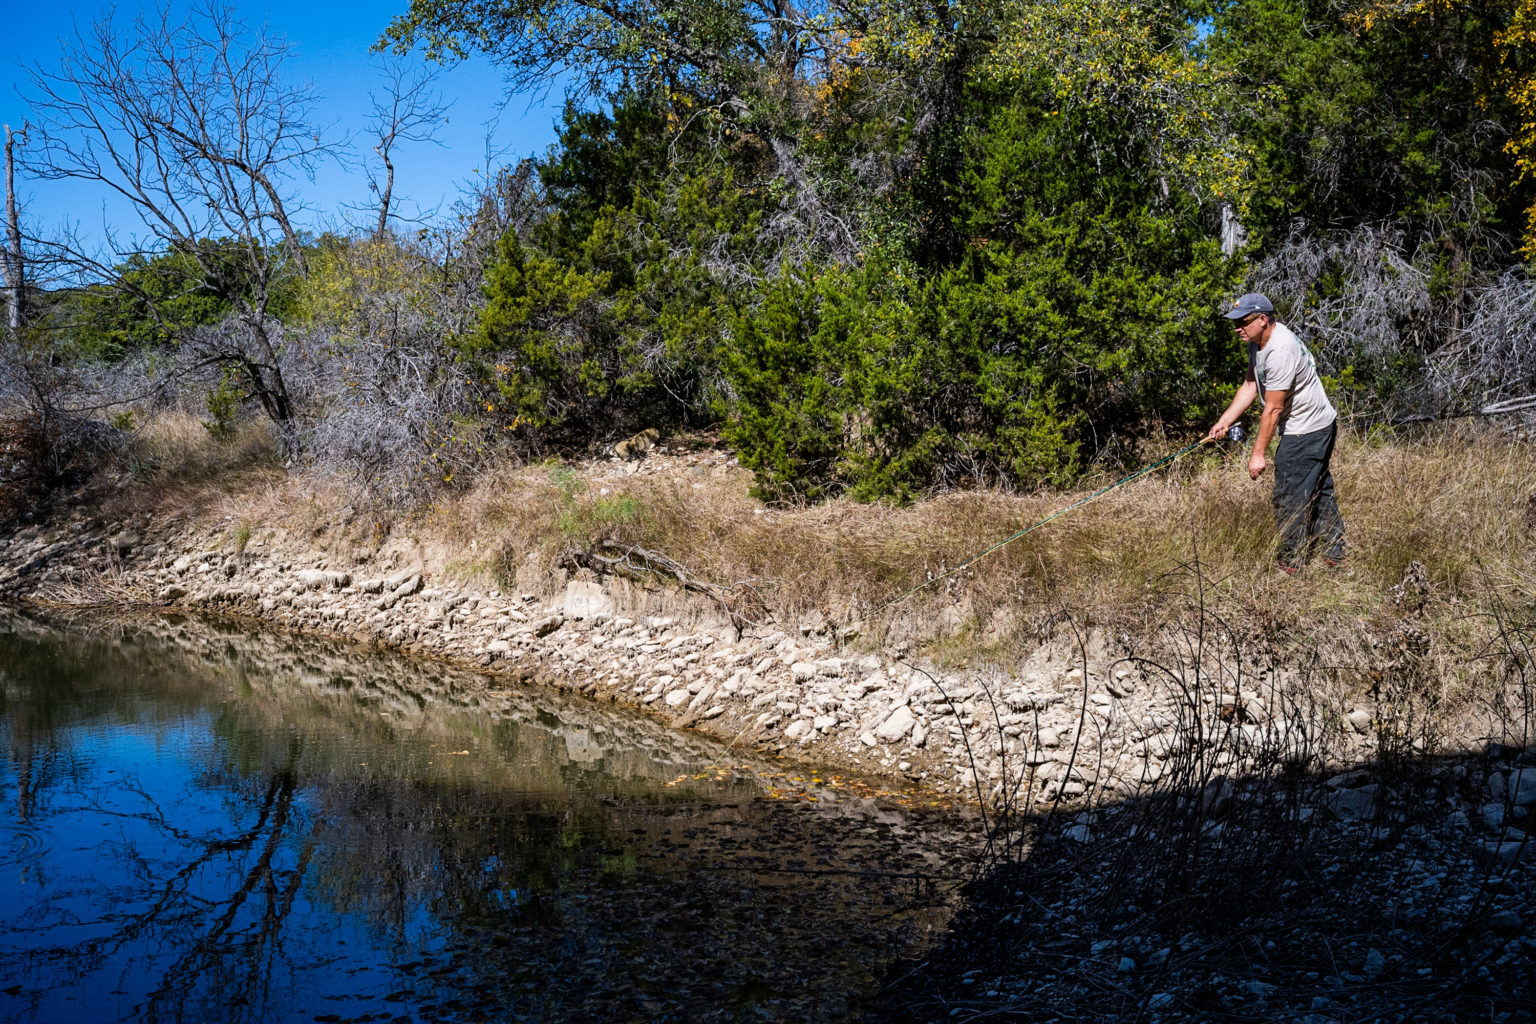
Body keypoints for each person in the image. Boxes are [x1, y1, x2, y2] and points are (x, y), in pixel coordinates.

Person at [1207, 292, 1345, 575]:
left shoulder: (1280, 349)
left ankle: (1291, 564)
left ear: (1262, 319)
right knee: (1317, 486)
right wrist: (1225, 420)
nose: (1237, 329)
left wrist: (1258, 455)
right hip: (1317, 423)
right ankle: (1334, 554)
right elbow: (1250, 385)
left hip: (1307, 429)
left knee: (1289, 495)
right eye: (1235, 323)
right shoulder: (1257, 343)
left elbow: (1272, 409)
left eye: (1242, 322)